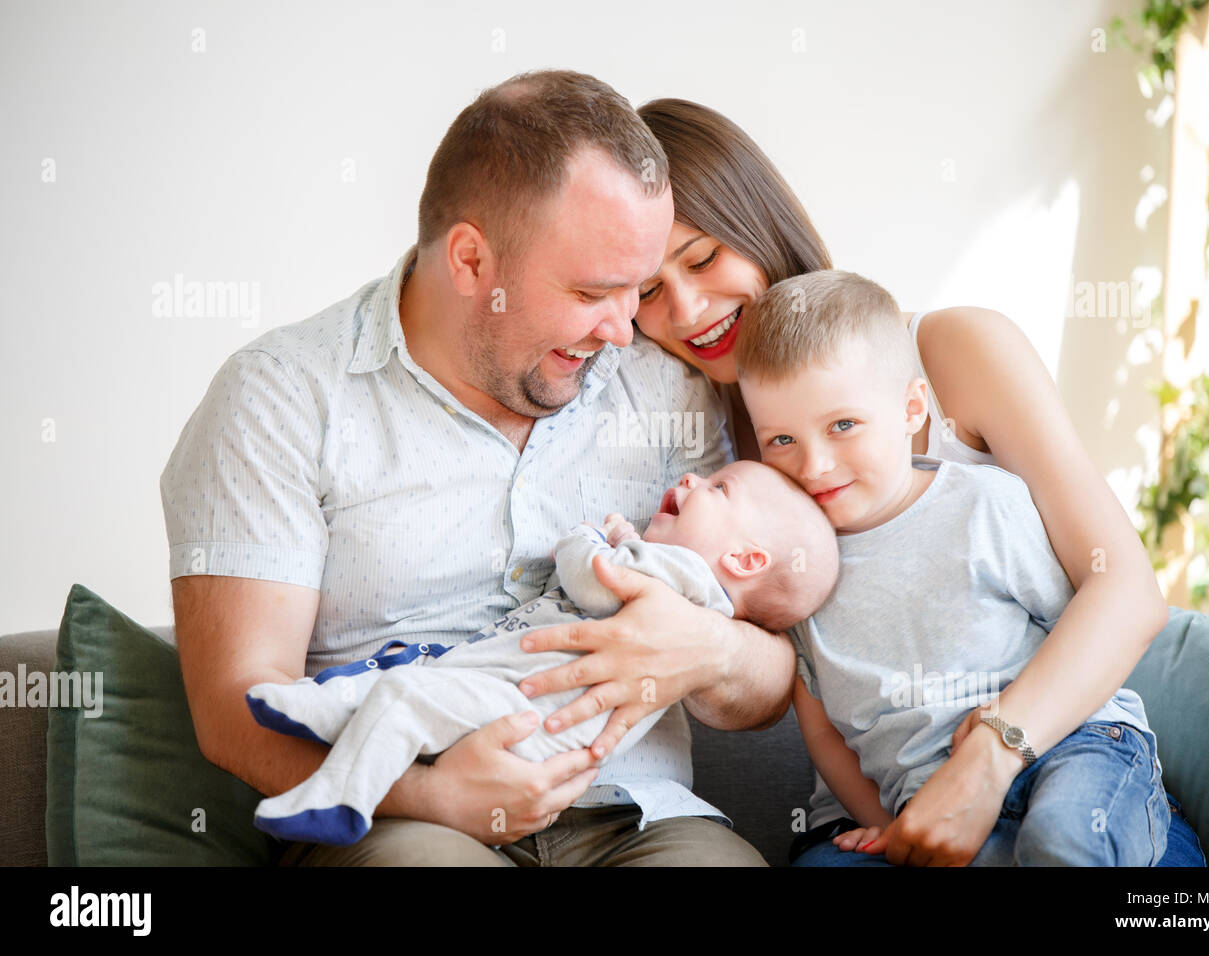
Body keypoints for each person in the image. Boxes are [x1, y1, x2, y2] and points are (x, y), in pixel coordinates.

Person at [160, 71, 801, 867]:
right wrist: (428, 796)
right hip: (405, 817)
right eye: (594, 291)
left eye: (635, 291)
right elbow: (236, 708)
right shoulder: (282, 398)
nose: (625, 331)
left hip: (641, 815)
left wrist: (709, 650)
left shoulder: (663, 382)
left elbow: (776, 670)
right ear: (470, 260)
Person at [622, 96, 1205, 865]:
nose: (687, 308)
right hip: (883, 805)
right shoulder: (699, 462)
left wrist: (988, 758)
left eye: (700, 259)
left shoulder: (951, 351)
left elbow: (1124, 588)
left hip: (1055, 763)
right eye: (646, 291)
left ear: (754, 217)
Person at [735, 270, 1172, 865]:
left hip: (1073, 747)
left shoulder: (984, 504)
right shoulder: (799, 569)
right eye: (780, 439)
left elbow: (1082, 617)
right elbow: (824, 735)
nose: (814, 465)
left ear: (913, 407)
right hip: (920, 793)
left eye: (843, 426)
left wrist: (1003, 743)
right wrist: (894, 826)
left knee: (1062, 843)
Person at [244, 460, 839, 846]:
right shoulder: (689, 587)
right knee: (411, 692)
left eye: (718, 488)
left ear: (747, 560)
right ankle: (316, 714)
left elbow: (591, 577)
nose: (691, 481)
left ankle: (340, 790)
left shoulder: (678, 575)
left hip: (527, 715)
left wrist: (592, 537)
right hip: (547, 729)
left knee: (405, 693)